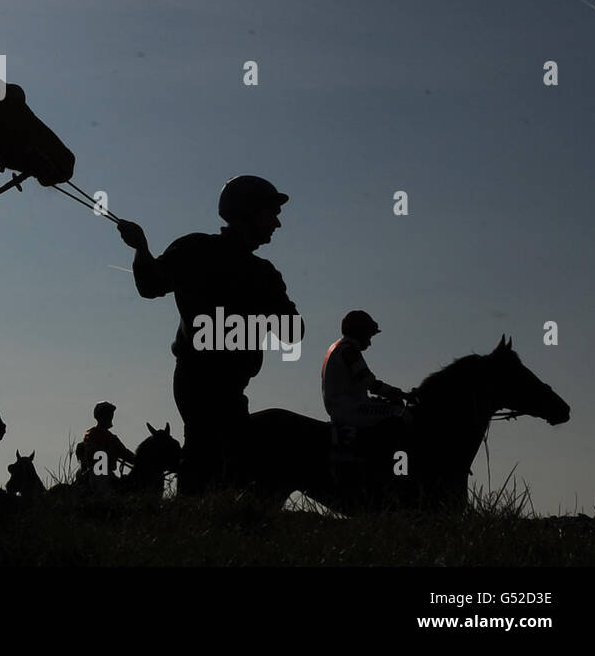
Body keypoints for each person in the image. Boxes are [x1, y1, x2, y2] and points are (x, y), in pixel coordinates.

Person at [116, 175, 303, 493]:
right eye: (272, 213)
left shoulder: (203, 252)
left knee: (217, 457)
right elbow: (292, 332)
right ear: (249, 212)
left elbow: (149, 284)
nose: (277, 223)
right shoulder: (255, 271)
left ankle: (201, 520)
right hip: (202, 380)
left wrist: (142, 248)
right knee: (215, 457)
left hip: (218, 383)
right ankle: (199, 522)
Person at [322, 311, 407, 429]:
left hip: (341, 409)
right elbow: (372, 385)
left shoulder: (335, 348)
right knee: (399, 411)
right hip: (351, 410)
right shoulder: (350, 351)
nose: (369, 342)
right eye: (368, 336)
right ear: (360, 333)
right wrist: (401, 394)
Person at [77, 401, 137, 480]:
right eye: (108, 415)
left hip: (107, 474)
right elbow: (93, 452)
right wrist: (111, 453)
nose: (111, 417)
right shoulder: (91, 434)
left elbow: (125, 453)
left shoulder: (112, 438)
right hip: (96, 474)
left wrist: (140, 460)